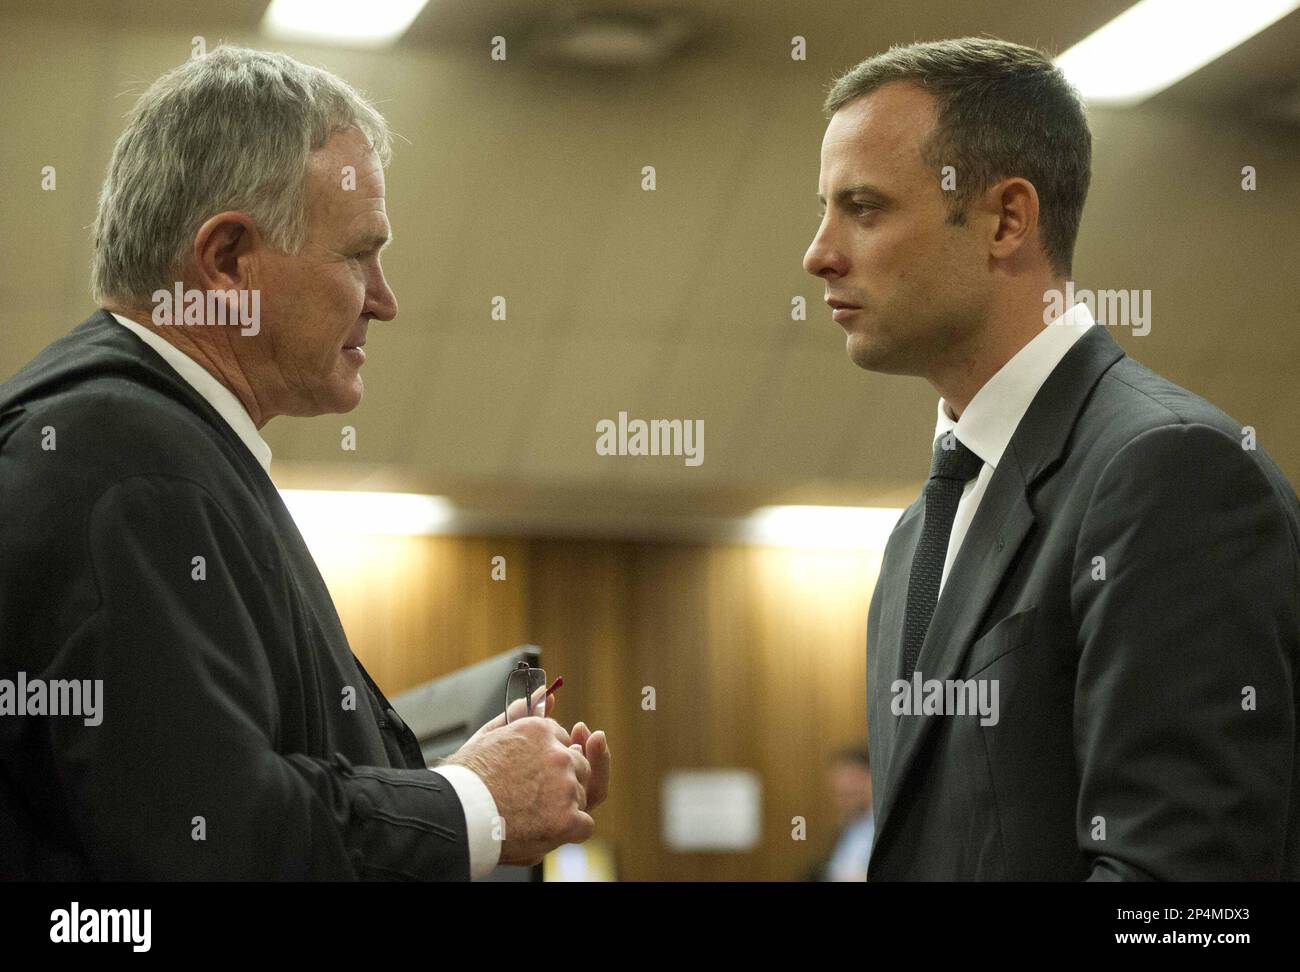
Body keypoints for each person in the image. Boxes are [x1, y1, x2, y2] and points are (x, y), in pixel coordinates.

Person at [0, 46, 608, 880]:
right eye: (357, 254)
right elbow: (213, 843)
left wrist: (454, 781)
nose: (384, 300)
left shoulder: (148, 447)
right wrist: (474, 805)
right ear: (226, 262)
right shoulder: (128, 470)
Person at [803, 37, 1300, 880]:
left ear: (1006, 219)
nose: (820, 253)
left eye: (866, 208)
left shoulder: (1170, 471)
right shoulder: (919, 532)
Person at [806, 746, 874, 882]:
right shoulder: (847, 828)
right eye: (840, 780)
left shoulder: (879, 827)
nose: (845, 787)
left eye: (853, 778)